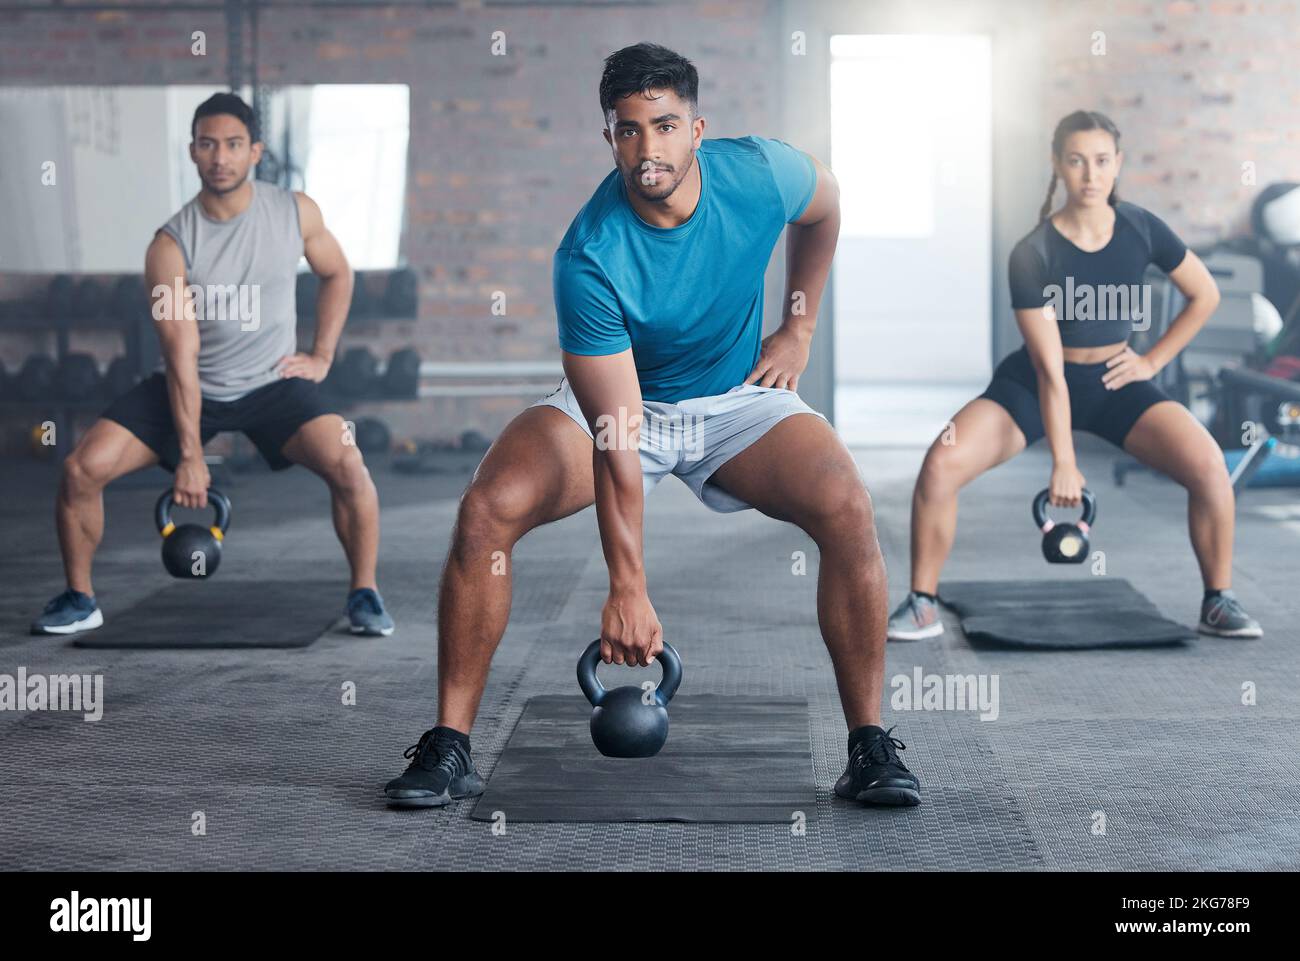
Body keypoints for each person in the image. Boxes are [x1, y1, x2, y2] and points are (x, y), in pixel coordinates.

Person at [384, 43, 921, 809]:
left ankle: (868, 745)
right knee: (487, 508)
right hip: (617, 406)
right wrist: (627, 589)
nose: (647, 150)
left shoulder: (762, 173)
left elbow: (826, 205)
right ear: (609, 137)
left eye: (664, 126)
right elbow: (617, 435)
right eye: (628, 130)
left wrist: (798, 325)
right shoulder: (589, 256)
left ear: (697, 129)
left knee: (847, 504)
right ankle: (449, 744)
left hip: (733, 400)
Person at [887, 109, 1263, 642]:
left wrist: (1151, 362)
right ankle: (921, 603)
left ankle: (1218, 601)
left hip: (1116, 382)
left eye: (1102, 161)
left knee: (1208, 465)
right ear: (1058, 165)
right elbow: (1050, 372)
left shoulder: (1141, 228)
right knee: (941, 463)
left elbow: (1205, 294)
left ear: (1118, 164)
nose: (1091, 175)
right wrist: (1064, 462)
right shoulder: (1033, 252)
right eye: (1077, 161)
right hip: (1034, 382)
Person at [31, 92, 394, 638]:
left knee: (348, 464)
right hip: (190, 386)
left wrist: (321, 354)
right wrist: (191, 455)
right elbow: (182, 353)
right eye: (207, 144)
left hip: (274, 384)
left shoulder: (296, 212)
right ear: (192, 152)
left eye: (232, 144)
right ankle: (80, 599)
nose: (220, 157)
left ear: (255, 152)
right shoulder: (169, 247)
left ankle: (365, 593)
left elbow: (337, 273)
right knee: (82, 469)